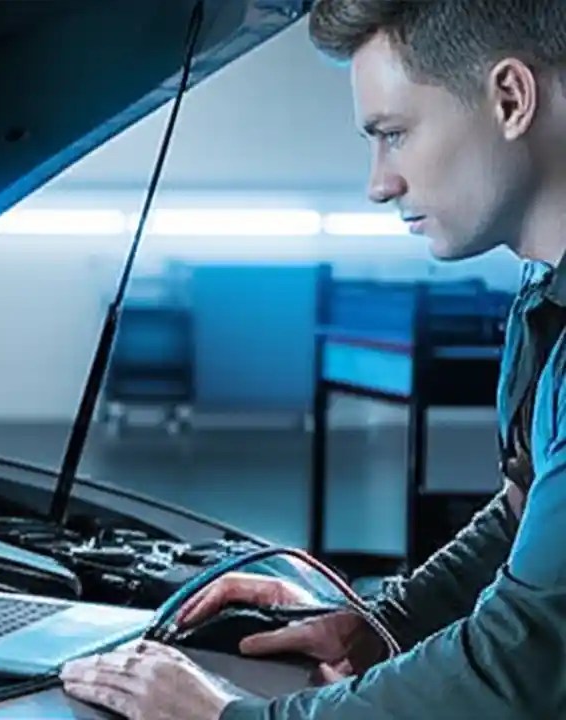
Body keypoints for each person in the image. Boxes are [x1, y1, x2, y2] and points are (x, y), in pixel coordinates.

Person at [59, 0, 566, 718]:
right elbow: (529, 514)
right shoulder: (547, 291)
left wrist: (228, 717)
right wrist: (384, 624)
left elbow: (525, 665)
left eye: (394, 134)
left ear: (510, 98)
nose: (378, 182)